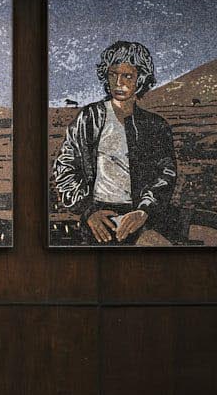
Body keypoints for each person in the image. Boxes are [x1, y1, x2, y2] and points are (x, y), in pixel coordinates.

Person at [50, 39, 186, 246]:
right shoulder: (89, 117)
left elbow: (165, 174)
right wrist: (89, 211)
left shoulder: (155, 125)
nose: (118, 83)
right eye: (113, 75)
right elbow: (65, 167)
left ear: (141, 79)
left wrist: (144, 210)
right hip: (101, 213)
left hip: (144, 211)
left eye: (127, 76)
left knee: (214, 230)